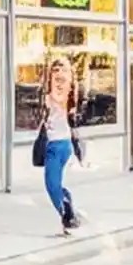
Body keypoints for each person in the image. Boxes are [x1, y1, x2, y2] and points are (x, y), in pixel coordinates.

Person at [39, 58, 83, 234]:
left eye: (60, 70)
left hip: (57, 145)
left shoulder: (58, 95)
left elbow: (55, 102)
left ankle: (68, 216)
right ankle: (67, 209)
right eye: (54, 70)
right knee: (55, 184)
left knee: (52, 185)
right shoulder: (63, 94)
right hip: (59, 144)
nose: (57, 73)